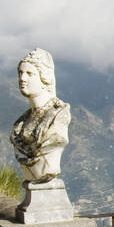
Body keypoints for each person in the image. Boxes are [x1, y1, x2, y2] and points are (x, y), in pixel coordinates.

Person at [10, 48, 72, 186]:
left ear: (44, 78)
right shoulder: (21, 122)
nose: (22, 78)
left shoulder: (58, 114)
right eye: (20, 73)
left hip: (45, 172)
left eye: (29, 73)